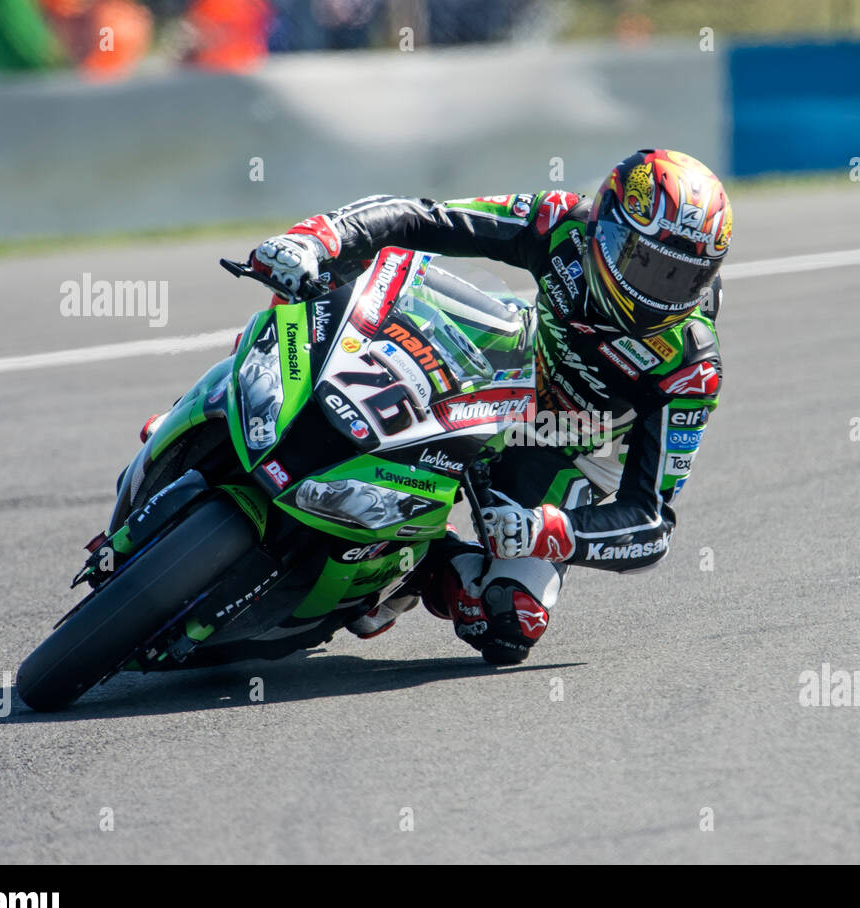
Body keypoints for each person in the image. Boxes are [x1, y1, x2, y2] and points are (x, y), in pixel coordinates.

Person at [250, 148, 731, 663]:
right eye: (651, 266)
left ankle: (413, 559)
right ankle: (233, 400)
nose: (663, 292)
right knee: (330, 282)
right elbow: (423, 218)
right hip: (506, 362)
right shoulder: (560, 223)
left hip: (569, 454)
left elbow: (650, 526)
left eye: (684, 278)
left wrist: (550, 531)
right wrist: (316, 238)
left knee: (508, 621)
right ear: (607, 232)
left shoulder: (689, 367)